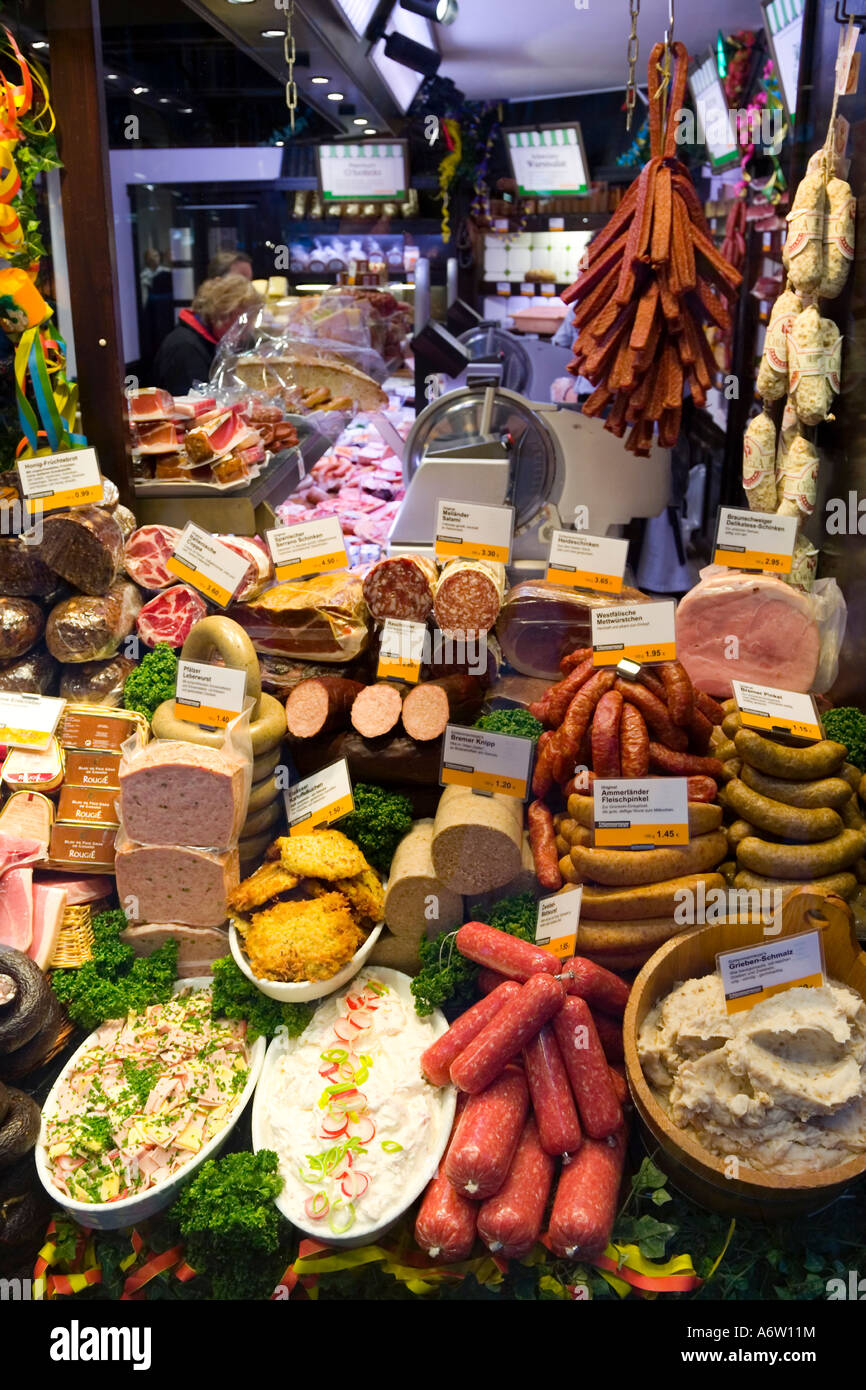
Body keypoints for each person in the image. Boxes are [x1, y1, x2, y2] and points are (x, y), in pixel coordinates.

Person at [151, 274, 262, 395]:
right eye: (240, 326)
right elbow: (193, 406)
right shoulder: (184, 347)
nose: (244, 336)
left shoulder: (209, 340)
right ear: (221, 316)